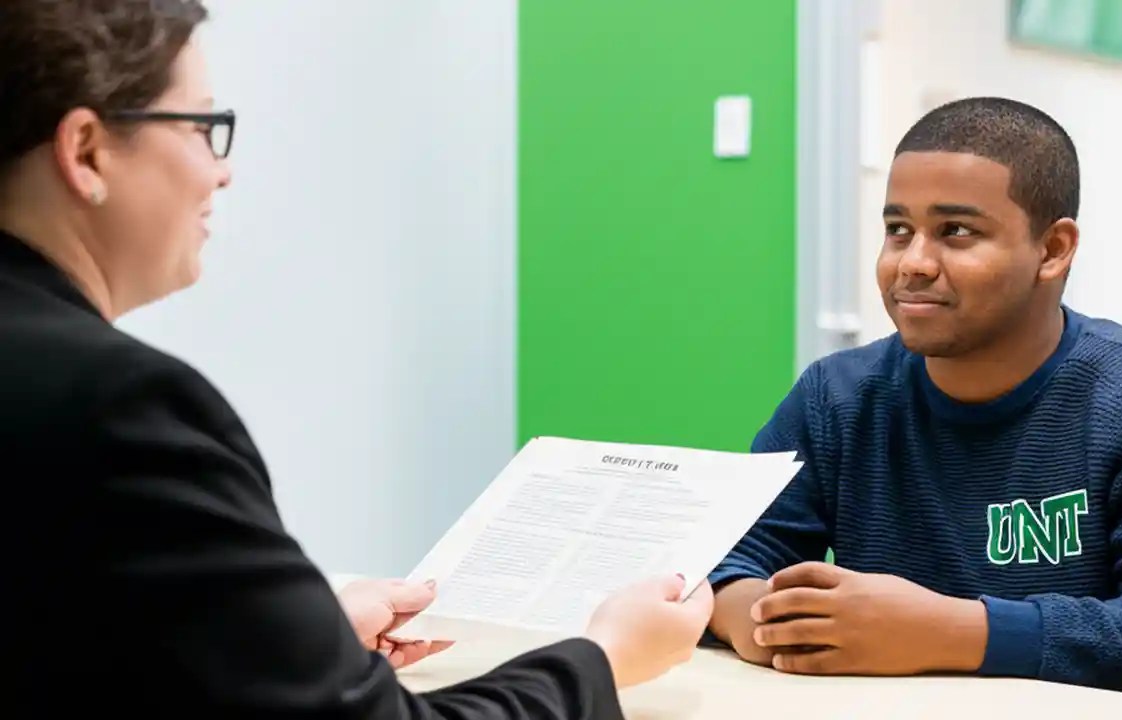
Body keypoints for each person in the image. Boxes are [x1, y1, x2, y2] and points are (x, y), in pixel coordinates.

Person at [0, 1, 712, 717]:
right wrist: (604, 658)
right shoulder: (123, 408)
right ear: (87, 151)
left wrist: (300, 643)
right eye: (203, 127)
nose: (222, 173)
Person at [706, 97, 1122, 707]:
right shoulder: (836, 397)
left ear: (1052, 250)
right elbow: (723, 560)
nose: (913, 263)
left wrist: (950, 632)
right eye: (898, 230)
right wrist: (757, 620)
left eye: (956, 232)